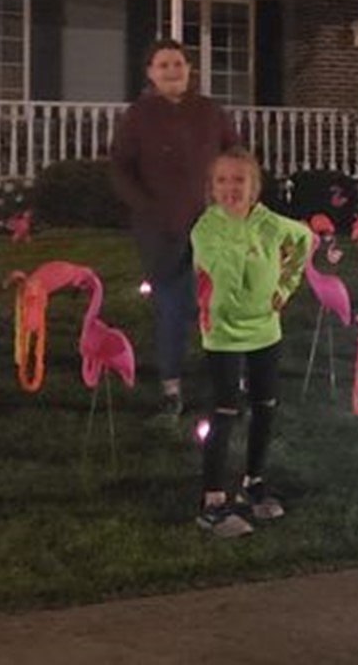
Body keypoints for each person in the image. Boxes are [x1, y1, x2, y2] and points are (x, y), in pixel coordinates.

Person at [110, 39, 241, 419]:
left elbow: (234, 155)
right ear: (150, 73)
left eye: (178, 64)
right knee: (172, 307)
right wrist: (146, 208)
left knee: (222, 306)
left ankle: (230, 382)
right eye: (163, 65)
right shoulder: (139, 115)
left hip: (213, 227)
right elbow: (120, 169)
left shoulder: (209, 112)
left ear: (189, 70)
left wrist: (233, 201)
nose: (172, 71)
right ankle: (171, 385)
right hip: (161, 231)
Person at [188, 148, 312, 538]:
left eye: (239, 180)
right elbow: (223, 272)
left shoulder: (271, 224)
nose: (231, 188)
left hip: (265, 328)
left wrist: (285, 286)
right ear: (212, 188)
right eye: (222, 180)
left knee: (264, 405)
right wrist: (251, 245)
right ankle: (212, 500)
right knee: (224, 410)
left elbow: (305, 240)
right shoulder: (206, 229)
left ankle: (253, 481)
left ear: (254, 187)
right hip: (224, 331)